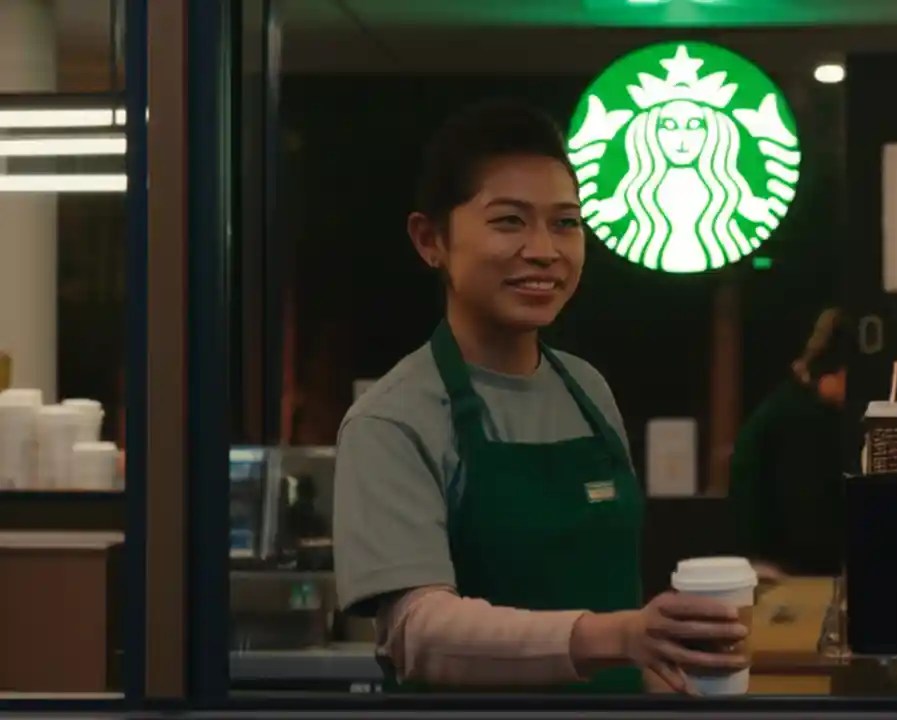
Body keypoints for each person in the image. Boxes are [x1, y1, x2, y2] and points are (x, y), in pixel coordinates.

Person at [333, 100, 746, 695]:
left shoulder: (586, 389)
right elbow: (416, 632)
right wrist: (616, 636)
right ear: (431, 240)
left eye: (566, 222)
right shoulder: (393, 418)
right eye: (509, 221)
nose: (545, 250)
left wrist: (663, 663)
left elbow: (623, 619)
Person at [728, 308, 849, 579]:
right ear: (834, 374)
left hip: (778, 564)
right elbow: (808, 520)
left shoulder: (788, 406)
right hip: (781, 570)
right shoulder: (798, 418)